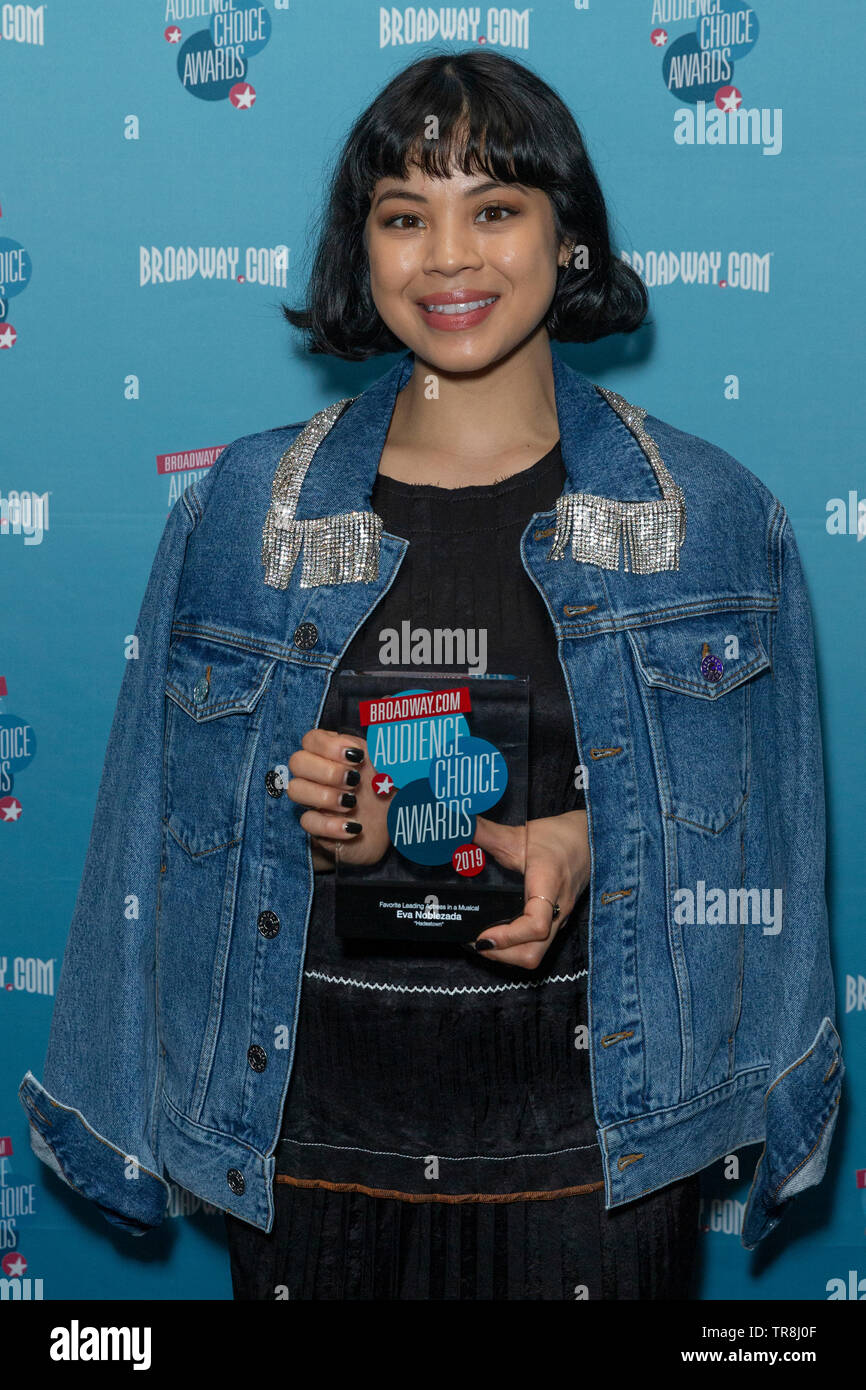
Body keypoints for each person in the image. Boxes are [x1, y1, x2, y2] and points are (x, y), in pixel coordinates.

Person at [20, 48, 843, 1301]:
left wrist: (589, 840)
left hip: (595, 1175)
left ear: (569, 239)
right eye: (405, 216)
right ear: (363, 252)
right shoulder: (239, 513)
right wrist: (324, 839)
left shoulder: (715, 518)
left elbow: (762, 874)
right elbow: (149, 845)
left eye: (495, 209)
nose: (448, 256)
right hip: (305, 1173)